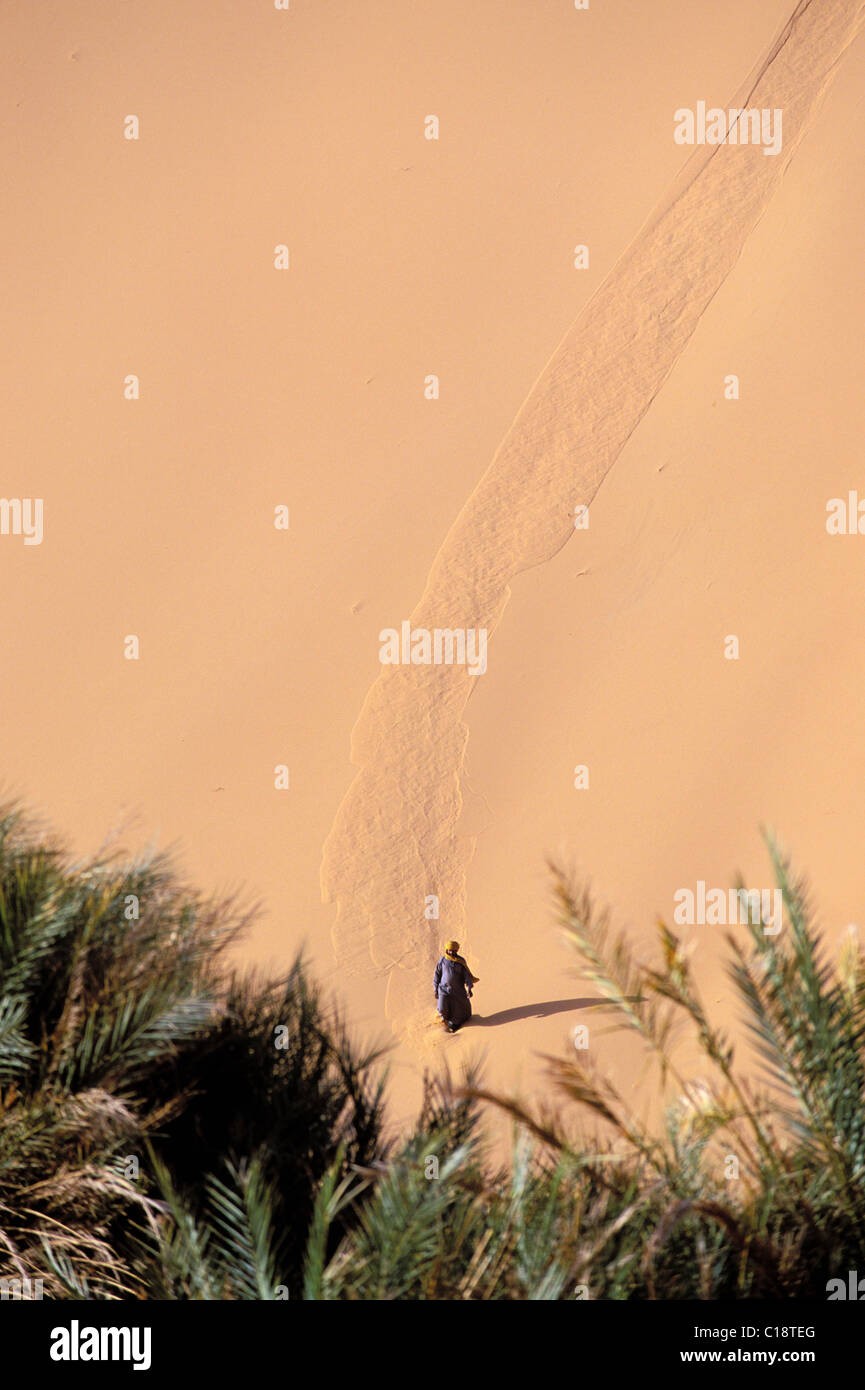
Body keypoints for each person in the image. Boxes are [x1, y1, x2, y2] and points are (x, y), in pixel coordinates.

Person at [434, 939, 477, 1033]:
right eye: (450, 950)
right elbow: (437, 974)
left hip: (457, 991)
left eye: (454, 950)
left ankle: (454, 1023)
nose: (451, 952)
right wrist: (435, 989)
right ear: (447, 950)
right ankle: (444, 1019)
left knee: (459, 1010)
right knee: (442, 1008)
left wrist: (469, 988)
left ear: (456, 951)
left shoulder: (460, 962)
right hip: (443, 989)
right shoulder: (442, 961)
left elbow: (467, 977)